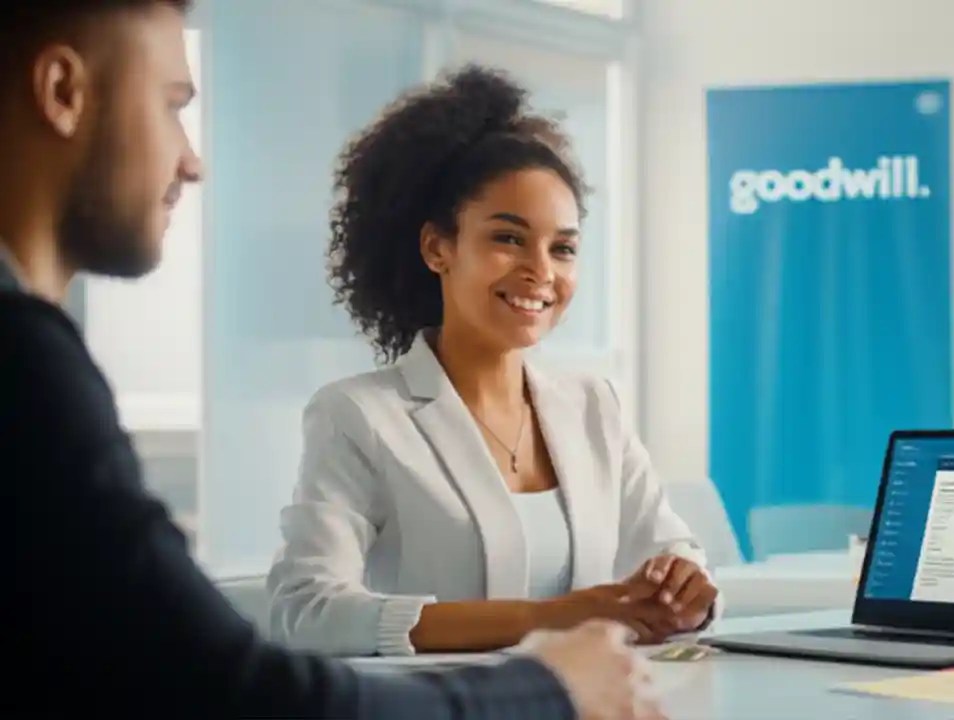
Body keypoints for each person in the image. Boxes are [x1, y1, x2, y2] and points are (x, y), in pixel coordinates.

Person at [0, 2, 660, 717]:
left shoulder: (36, 357)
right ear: (63, 91)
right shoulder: (28, 367)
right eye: (172, 105)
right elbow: (241, 684)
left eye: (564, 247)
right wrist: (550, 684)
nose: (193, 160)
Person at [265, 65, 720, 657]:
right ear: (438, 247)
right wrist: (552, 618)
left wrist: (686, 588)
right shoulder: (358, 415)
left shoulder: (593, 407)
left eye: (562, 248)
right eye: (508, 239)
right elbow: (307, 611)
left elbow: (672, 549)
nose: (541, 271)